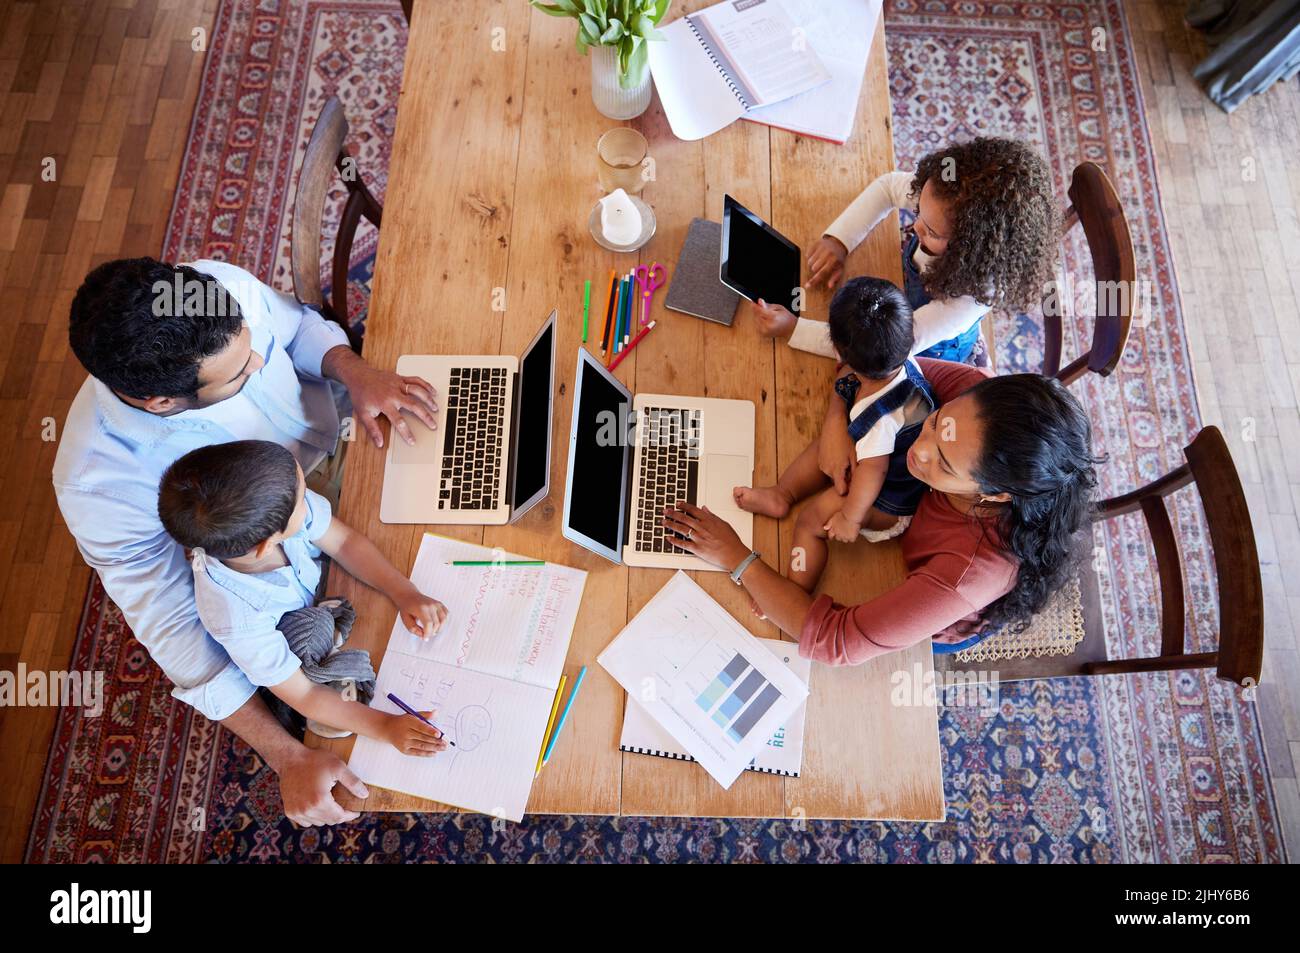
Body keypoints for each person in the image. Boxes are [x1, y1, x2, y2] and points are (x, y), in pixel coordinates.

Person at [53, 257, 441, 826]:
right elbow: (174, 630)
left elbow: (299, 330)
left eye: (251, 343)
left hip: (333, 462)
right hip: (284, 550)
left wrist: (355, 372)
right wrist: (286, 756)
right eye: (236, 377)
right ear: (162, 404)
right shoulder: (98, 482)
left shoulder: (213, 290)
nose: (261, 362)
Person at [662, 359, 1102, 662]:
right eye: (933, 422)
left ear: (998, 495)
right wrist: (837, 423)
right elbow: (877, 363)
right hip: (900, 518)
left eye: (943, 464)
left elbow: (839, 641)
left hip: (926, 606)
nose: (919, 450)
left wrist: (735, 558)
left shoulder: (969, 576)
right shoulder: (974, 401)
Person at [158, 439, 449, 754]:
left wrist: (403, 591)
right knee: (324, 717)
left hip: (319, 599)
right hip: (290, 651)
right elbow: (304, 694)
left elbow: (345, 542)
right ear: (266, 546)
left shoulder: (276, 503)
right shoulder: (235, 619)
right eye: (301, 497)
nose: (306, 495)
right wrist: (386, 727)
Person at [753, 137, 1059, 366]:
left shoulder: (968, 298)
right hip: (911, 311)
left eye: (931, 231)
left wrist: (795, 329)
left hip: (926, 348)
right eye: (918, 215)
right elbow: (888, 186)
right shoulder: (943, 197)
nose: (914, 229)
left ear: (971, 250)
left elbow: (886, 347)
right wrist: (839, 240)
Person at [735, 278, 933, 592]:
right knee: (824, 447)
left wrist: (851, 518)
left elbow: (874, 470)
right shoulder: (898, 360)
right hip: (875, 462)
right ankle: (781, 494)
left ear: (840, 352)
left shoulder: (882, 419)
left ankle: (794, 591)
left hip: (885, 502)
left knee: (810, 522)